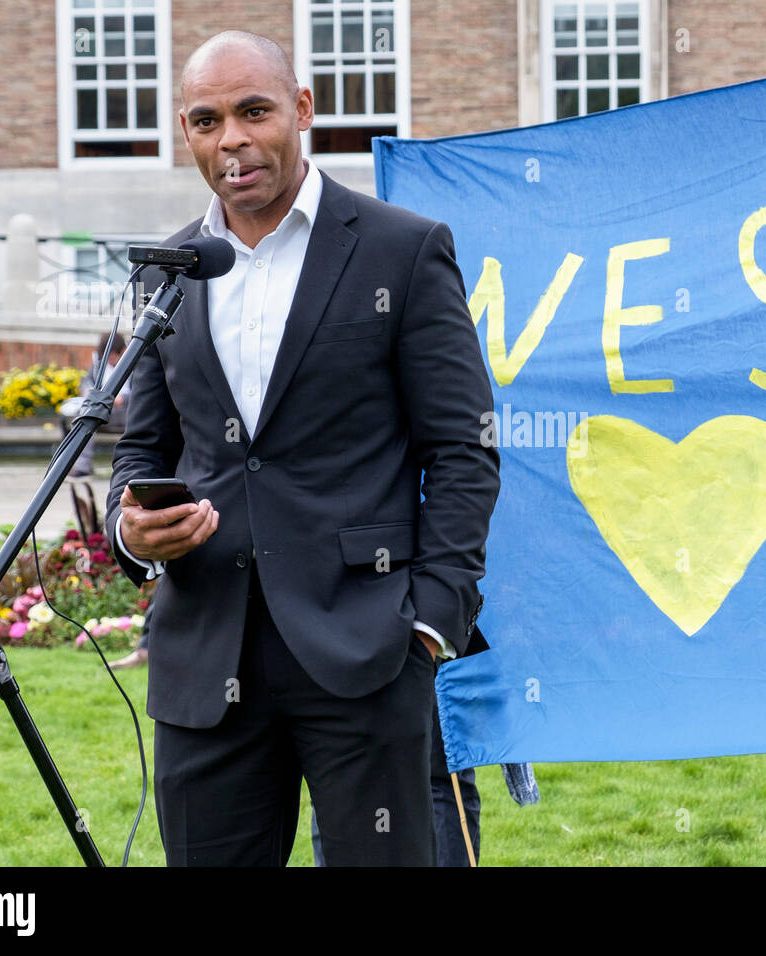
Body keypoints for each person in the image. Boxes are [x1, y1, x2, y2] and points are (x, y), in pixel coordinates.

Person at [103, 31, 500, 866]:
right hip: (206, 657)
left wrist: (432, 622)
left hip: (366, 650)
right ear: (188, 133)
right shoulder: (169, 272)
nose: (232, 140)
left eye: (254, 112)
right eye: (207, 121)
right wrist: (129, 533)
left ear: (303, 111)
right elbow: (140, 453)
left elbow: (463, 449)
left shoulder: (403, 247)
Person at [62, 333, 129, 479]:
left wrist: (123, 398)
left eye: (112, 357)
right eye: (107, 356)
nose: (110, 361)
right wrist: (88, 391)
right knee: (83, 416)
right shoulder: (99, 363)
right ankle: (80, 466)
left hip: (127, 412)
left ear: (123, 351)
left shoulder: (134, 362)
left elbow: (143, 392)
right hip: (103, 409)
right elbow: (86, 381)